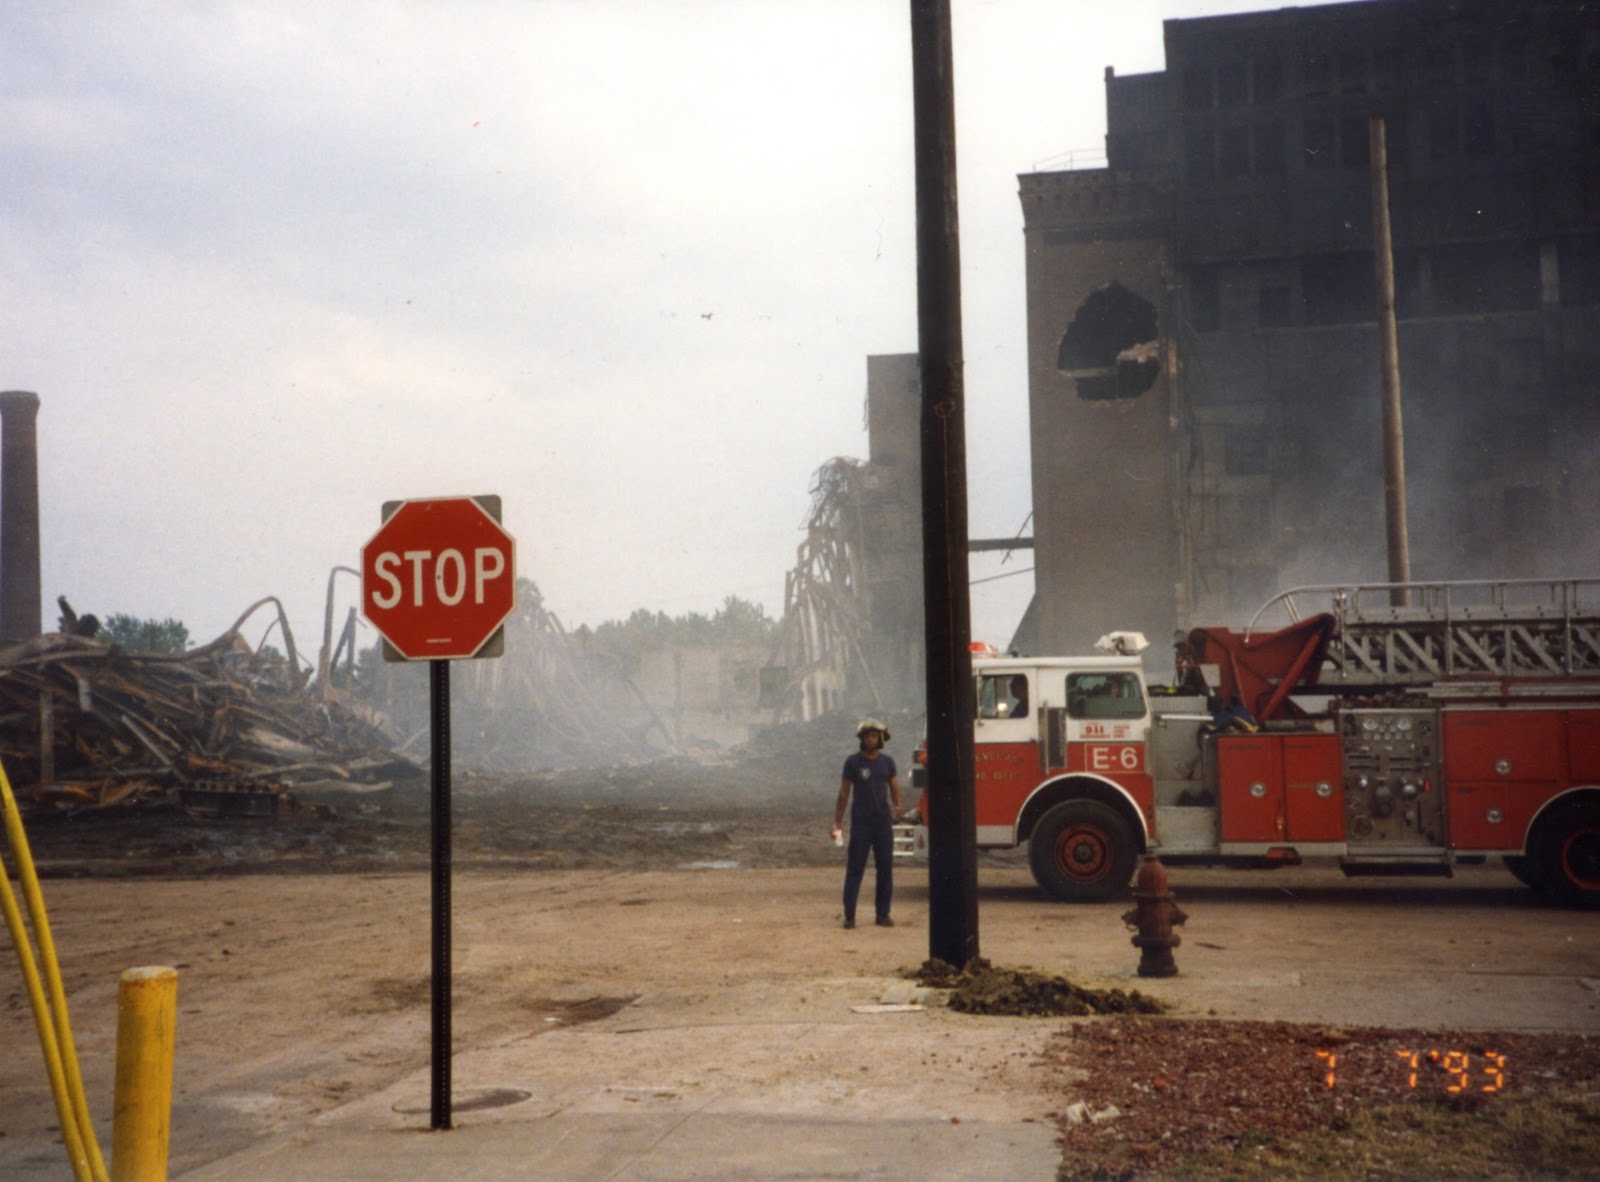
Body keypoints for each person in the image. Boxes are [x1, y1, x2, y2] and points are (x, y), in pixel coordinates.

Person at [833, 718, 902, 930]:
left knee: (885, 870)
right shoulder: (852, 763)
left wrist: (898, 807)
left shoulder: (887, 762)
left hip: (883, 825)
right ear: (861, 739)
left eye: (874, 736)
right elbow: (844, 792)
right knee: (855, 869)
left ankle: (883, 914)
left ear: (880, 739)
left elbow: (895, 789)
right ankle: (849, 917)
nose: (870, 739)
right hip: (861, 825)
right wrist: (837, 822)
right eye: (867, 736)